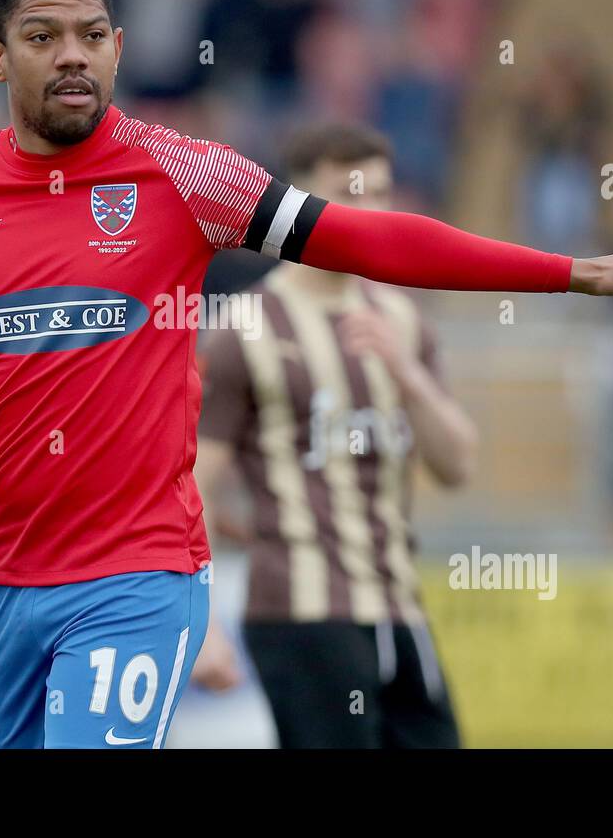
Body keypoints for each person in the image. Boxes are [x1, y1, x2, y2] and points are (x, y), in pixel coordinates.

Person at [0, 0, 613, 749]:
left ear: (118, 48)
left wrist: (568, 272)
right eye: (43, 37)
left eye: (90, 36)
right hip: (4, 577)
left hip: (137, 570)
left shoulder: (182, 176)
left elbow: (371, 240)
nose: (72, 56)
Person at [191, 121, 474, 747]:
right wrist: (200, 621)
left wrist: (408, 376)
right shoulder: (244, 327)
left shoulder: (402, 317)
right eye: (350, 194)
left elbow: (458, 466)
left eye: (381, 193)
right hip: (300, 612)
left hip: (400, 608)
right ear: (299, 207)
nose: (370, 212)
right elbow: (195, 490)